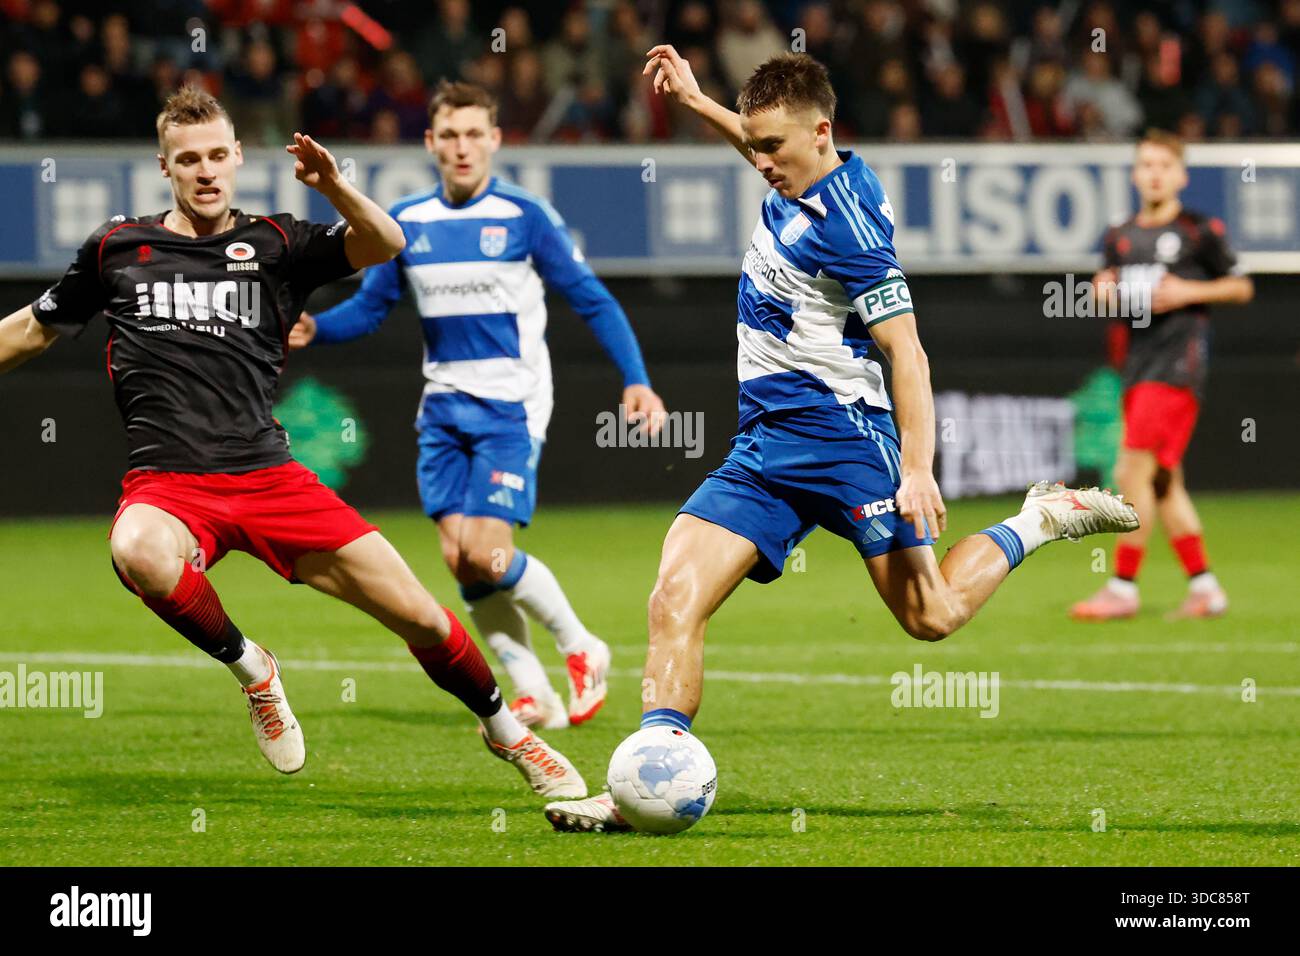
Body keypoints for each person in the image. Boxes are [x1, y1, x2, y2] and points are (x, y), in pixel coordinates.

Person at [543, 49, 1138, 832]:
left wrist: (918, 469)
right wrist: (696, 103)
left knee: (932, 616)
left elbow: (909, 352)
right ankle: (646, 784)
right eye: (754, 146)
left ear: (821, 133)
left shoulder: (851, 229)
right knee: (673, 599)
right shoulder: (795, 166)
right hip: (763, 445)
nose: (761, 164)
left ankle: (1040, 519)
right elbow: (762, 143)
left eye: (773, 150)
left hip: (847, 442)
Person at [0, 86, 585, 799]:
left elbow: (384, 244)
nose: (206, 170)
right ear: (165, 166)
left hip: (271, 479)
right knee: (136, 550)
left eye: (218, 154)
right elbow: (32, 329)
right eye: (190, 159)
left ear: (239, 157)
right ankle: (255, 671)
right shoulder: (118, 249)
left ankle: (511, 736)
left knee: (423, 617)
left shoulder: (277, 243)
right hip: (171, 486)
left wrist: (333, 184)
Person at [291, 80, 664, 730]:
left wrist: (636, 378)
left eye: (474, 135)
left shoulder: (525, 216)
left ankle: (582, 646)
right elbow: (374, 308)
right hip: (442, 411)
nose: (462, 148)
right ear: (431, 143)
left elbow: (591, 298)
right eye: (450, 136)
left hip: (510, 408)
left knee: (487, 554)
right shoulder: (406, 221)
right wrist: (319, 328)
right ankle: (531, 691)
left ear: (494, 140)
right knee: (457, 559)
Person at [1070, 129, 1252, 621]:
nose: (1154, 174)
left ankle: (1123, 588)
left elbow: (1240, 287)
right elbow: (1102, 290)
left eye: (1163, 166)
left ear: (1180, 175)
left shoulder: (1198, 231)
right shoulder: (1120, 236)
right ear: (1134, 174)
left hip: (1176, 369)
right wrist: (1099, 293)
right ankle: (1206, 588)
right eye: (1146, 165)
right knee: (1164, 483)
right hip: (1137, 368)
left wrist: (1191, 293)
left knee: (1131, 472)